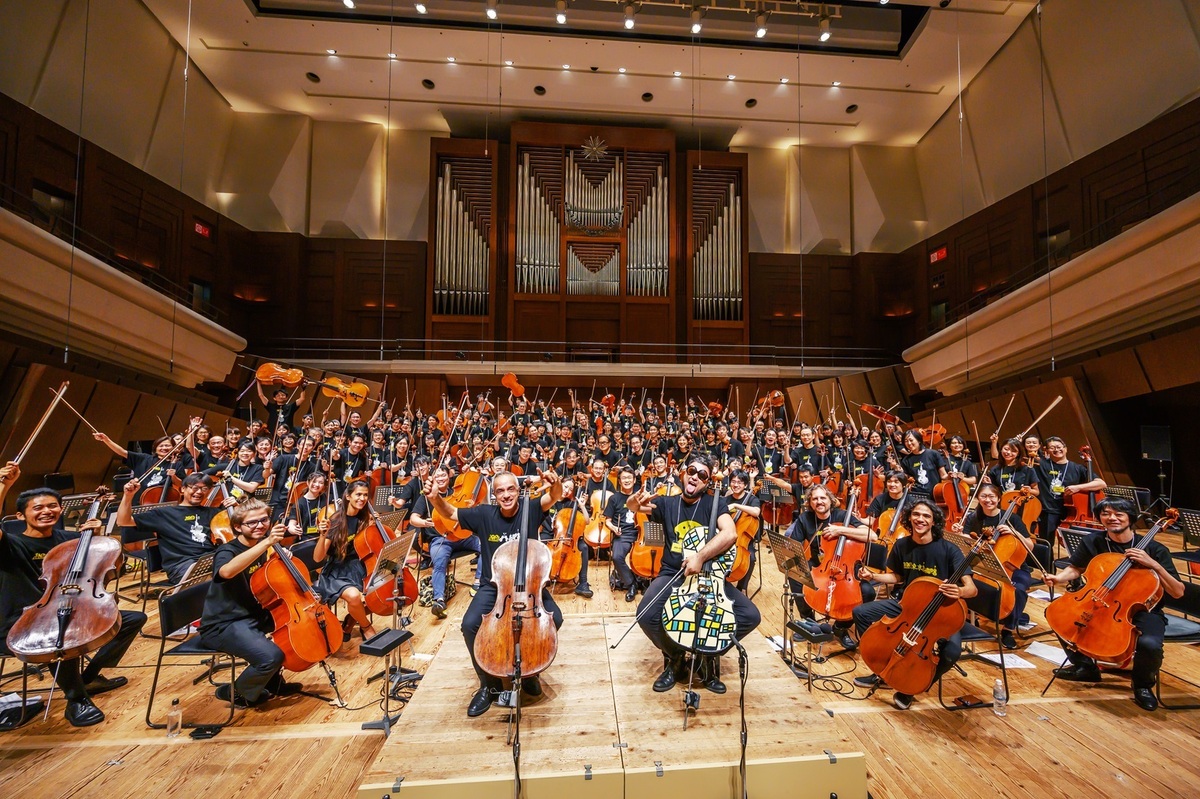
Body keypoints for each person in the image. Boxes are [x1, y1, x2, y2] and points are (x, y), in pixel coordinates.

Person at [0, 462, 146, 727]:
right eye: (38, 508)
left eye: (52, 506)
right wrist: (4, 486)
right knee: (62, 638)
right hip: (22, 621)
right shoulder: (11, 543)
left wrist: (96, 541)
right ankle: (76, 698)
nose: (47, 511)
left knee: (130, 619)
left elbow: (107, 569)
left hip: (68, 607)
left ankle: (88, 678)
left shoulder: (70, 539)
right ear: (20, 516)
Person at [424, 469, 565, 717]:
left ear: (518, 491)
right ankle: (488, 685)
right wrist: (436, 498)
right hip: (496, 585)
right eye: (500, 491)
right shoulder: (483, 514)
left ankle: (530, 671)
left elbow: (553, 496)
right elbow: (451, 513)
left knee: (556, 618)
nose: (506, 495)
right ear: (494, 494)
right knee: (469, 625)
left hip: (529, 585)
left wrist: (555, 484)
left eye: (511, 489)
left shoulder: (530, 509)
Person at [625, 455, 761, 695]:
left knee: (750, 616)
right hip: (673, 573)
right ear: (682, 473)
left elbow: (730, 534)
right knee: (646, 616)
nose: (695, 476)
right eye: (691, 471)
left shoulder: (714, 504)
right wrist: (633, 501)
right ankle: (675, 657)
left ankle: (706, 657)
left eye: (702, 475)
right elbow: (635, 508)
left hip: (708, 575)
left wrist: (700, 556)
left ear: (707, 482)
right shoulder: (667, 503)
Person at [1042, 496, 1184, 711]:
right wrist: (1059, 578)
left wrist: (1153, 565)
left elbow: (1178, 591)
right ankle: (1085, 667)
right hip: (1100, 600)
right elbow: (1076, 568)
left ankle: (1142, 685)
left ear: (1130, 518)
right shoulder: (1094, 541)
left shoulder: (1155, 550)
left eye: (1119, 514)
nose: (1112, 518)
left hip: (1142, 610)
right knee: (1058, 614)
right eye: (1106, 514)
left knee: (1150, 645)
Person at [851, 499, 977, 710]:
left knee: (951, 652)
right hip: (907, 606)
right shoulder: (902, 545)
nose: (920, 519)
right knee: (861, 613)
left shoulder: (949, 549)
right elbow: (897, 577)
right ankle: (882, 670)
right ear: (909, 518)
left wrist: (960, 591)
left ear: (934, 521)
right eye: (916, 514)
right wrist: (872, 575)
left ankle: (910, 686)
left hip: (939, 613)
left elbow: (972, 589)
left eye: (926, 516)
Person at [198, 498, 301, 707]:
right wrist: (267, 542)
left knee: (294, 630)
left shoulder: (264, 548)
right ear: (237, 527)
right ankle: (235, 691)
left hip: (253, 614)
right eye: (252, 523)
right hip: (224, 623)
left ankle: (272, 683)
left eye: (264, 520)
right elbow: (225, 572)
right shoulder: (228, 550)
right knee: (271, 656)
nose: (260, 525)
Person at [786, 485, 875, 650]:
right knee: (795, 574)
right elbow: (794, 544)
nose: (819, 502)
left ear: (830, 500)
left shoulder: (842, 515)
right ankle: (809, 622)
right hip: (821, 564)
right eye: (815, 499)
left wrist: (840, 529)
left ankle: (841, 627)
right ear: (810, 503)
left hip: (846, 566)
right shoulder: (806, 518)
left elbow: (872, 535)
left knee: (868, 592)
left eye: (822, 498)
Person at [955, 482, 1033, 649]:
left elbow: (1030, 546)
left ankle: (1008, 629)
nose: (987, 500)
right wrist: (959, 533)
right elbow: (967, 541)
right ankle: (969, 615)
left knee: (1017, 590)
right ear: (978, 499)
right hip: (982, 565)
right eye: (983, 496)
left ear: (998, 499)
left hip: (1013, 567)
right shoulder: (973, 517)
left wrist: (1015, 533)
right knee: (960, 579)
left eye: (991, 496)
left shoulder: (1012, 518)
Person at [116, 472, 226, 584]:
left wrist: (235, 507)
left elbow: (239, 527)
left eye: (204, 489)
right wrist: (128, 496)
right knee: (217, 583)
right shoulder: (164, 513)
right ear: (183, 489)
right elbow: (123, 521)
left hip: (211, 560)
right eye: (194, 487)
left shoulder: (213, 513)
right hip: (182, 566)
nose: (199, 492)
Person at [407, 467, 481, 619]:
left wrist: (472, 506)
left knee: (485, 546)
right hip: (440, 539)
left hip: (462, 537)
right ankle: (439, 600)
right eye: (437, 475)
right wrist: (424, 523)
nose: (440, 478)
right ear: (432, 479)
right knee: (439, 562)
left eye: (443, 475)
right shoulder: (426, 497)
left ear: (449, 476)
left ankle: (479, 581)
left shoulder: (456, 494)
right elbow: (413, 518)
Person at [1035, 436, 1107, 543]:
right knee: (1046, 543)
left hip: (1071, 513)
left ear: (1066, 449)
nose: (1056, 450)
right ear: (1046, 450)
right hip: (1049, 511)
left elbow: (1101, 483)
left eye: (1059, 447)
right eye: (1052, 447)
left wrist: (1078, 487)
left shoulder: (1077, 468)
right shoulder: (1041, 464)